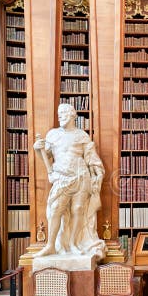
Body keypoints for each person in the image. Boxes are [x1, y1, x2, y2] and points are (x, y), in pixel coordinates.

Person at [33, 103, 105, 258]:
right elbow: (46, 156)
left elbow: (90, 157)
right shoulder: (52, 135)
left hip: (81, 177)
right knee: (55, 209)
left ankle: (73, 244)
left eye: (64, 113)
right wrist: (37, 148)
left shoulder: (82, 135)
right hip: (62, 178)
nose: (60, 116)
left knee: (78, 209)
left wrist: (97, 172)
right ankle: (51, 245)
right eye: (59, 114)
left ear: (73, 115)